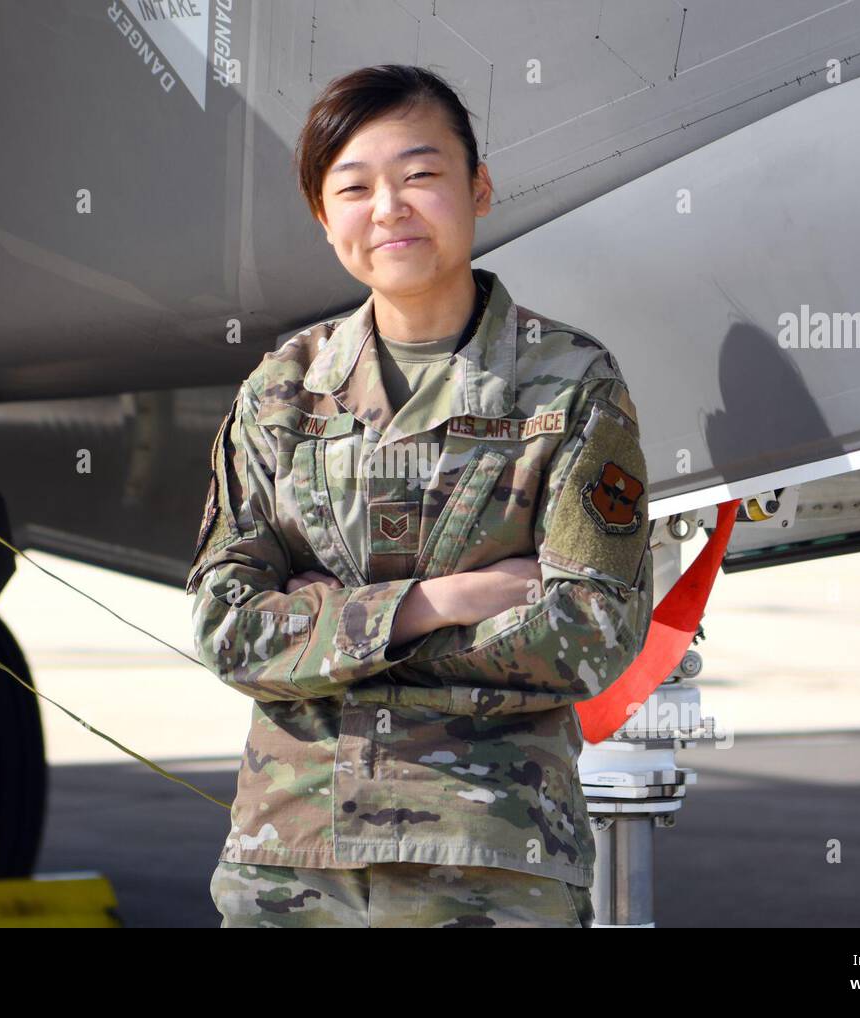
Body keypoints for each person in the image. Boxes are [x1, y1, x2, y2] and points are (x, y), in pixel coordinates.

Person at [187, 64, 653, 928]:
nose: (390, 208)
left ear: (479, 186)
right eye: (355, 187)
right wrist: (440, 602)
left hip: (489, 855)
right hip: (290, 863)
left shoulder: (569, 387)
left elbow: (592, 634)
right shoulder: (283, 391)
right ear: (326, 220)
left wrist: (332, 636)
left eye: (421, 176)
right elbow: (227, 627)